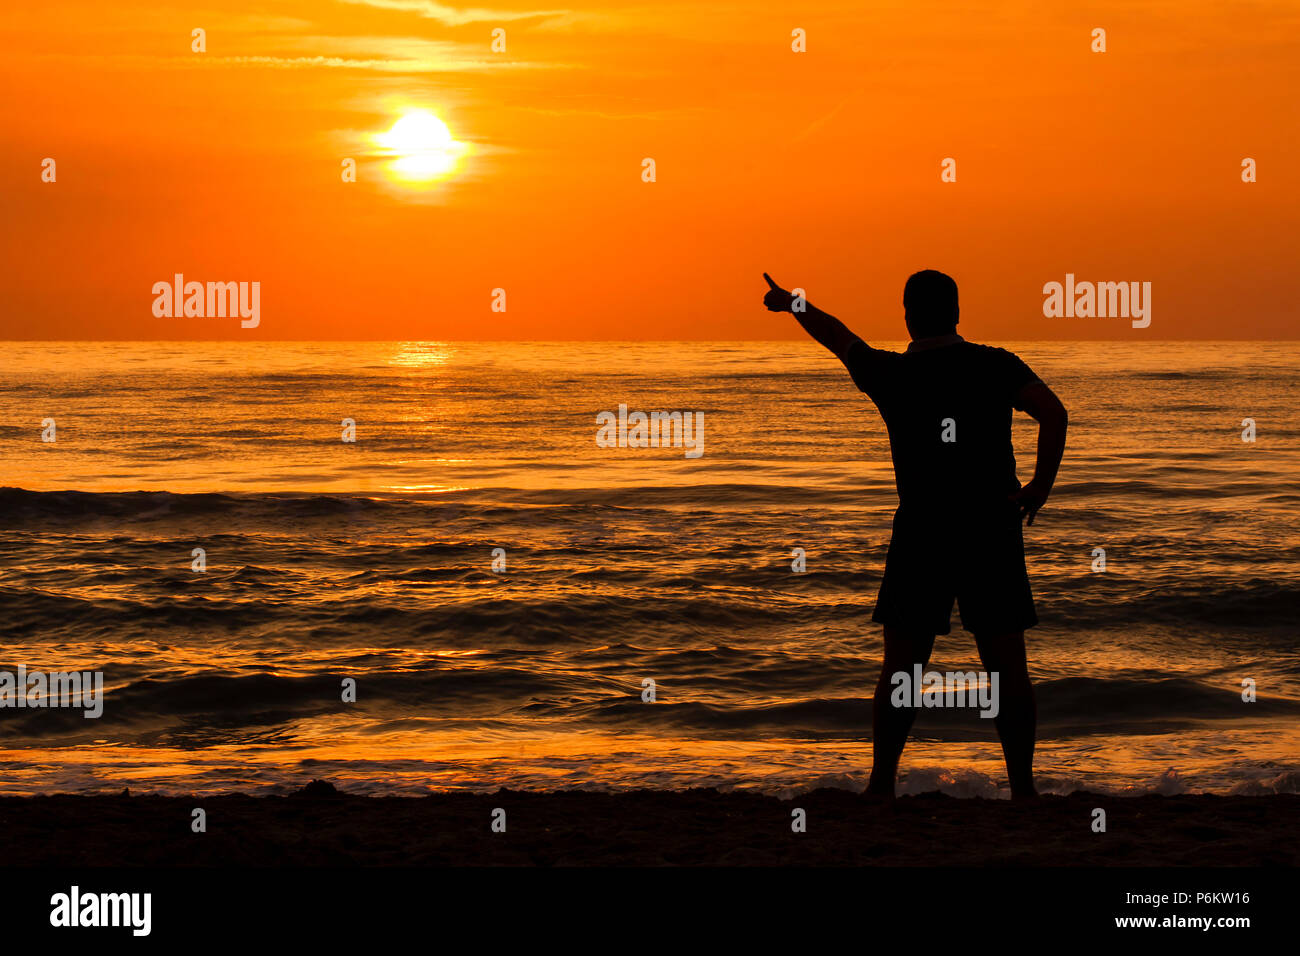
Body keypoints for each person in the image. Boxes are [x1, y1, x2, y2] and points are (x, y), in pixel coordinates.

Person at [763, 269, 1068, 800]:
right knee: (1006, 666)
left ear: (907, 315)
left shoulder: (891, 374)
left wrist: (794, 303)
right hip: (989, 528)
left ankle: (882, 784)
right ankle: (1023, 790)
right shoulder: (996, 365)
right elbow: (1053, 414)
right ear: (956, 312)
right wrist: (1040, 485)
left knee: (902, 664)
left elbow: (839, 337)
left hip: (922, 529)